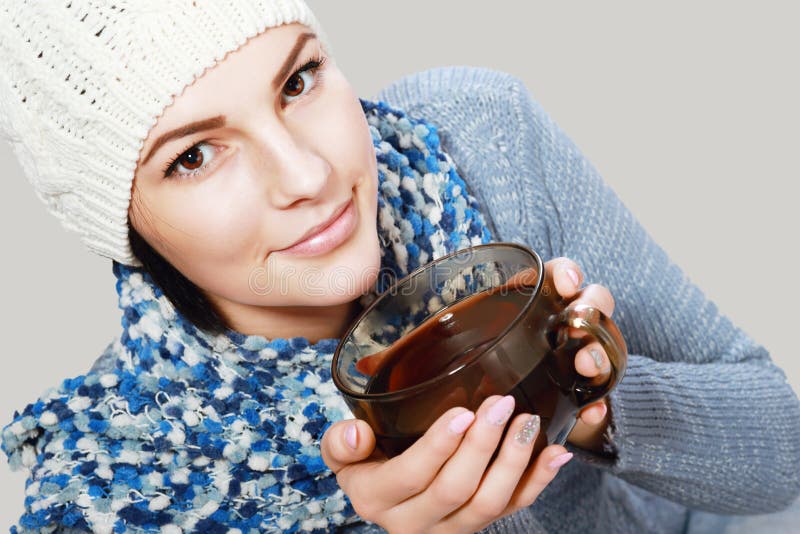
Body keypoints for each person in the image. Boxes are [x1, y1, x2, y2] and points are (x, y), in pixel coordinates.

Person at [0, 1, 798, 532]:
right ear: (120, 225)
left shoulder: (479, 143)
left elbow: (780, 449)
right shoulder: (107, 497)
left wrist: (583, 406)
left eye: (298, 80)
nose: (307, 175)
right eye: (197, 156)